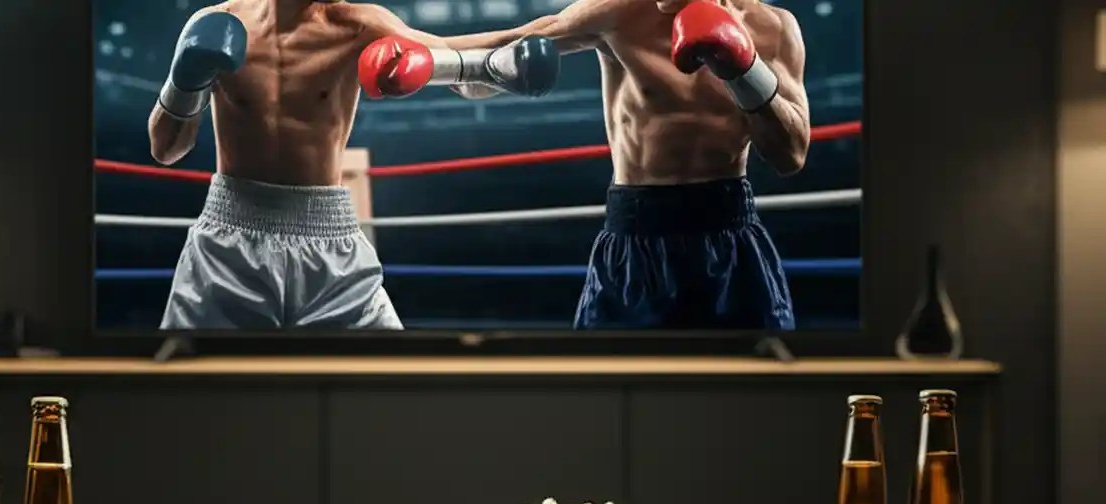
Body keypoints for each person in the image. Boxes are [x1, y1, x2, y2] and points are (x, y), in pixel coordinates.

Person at [374, 0, 807, 330]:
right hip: (637, 234)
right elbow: (507, 47)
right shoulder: (619, 12)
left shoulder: (775, 29)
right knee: (606, 386)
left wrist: (744, 69)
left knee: (751, 379)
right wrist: (421, 61)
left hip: (730, 235)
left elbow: (791, 154)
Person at [149, 1, 559, 330]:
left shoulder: (357, 25)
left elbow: (457, 66)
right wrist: (184, 82)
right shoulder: (215, 23)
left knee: (392, 391)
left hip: (329, 242)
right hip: (227, 243)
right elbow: (165, 148)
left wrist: (521, 54)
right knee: (188, 398)